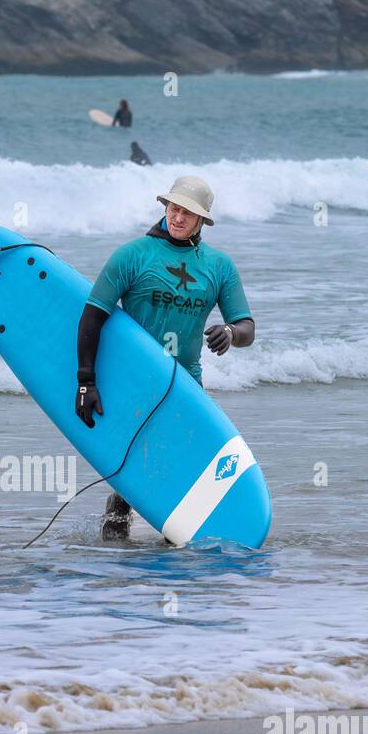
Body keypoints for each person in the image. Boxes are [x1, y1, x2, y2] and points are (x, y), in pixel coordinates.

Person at [74, 175, 256, 539]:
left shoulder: (218, 266)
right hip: (135, 382)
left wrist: (231, 332)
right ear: (165, 207)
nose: (178, 217)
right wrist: (85, 382)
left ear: (202, 219)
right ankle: (113, 542)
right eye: (174, 208)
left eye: (188, 213)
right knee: (134, 469)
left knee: (183, 467)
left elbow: (246, 328)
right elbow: (92, 316)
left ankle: (177, 544)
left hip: (187, 386)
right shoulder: (133, 255)